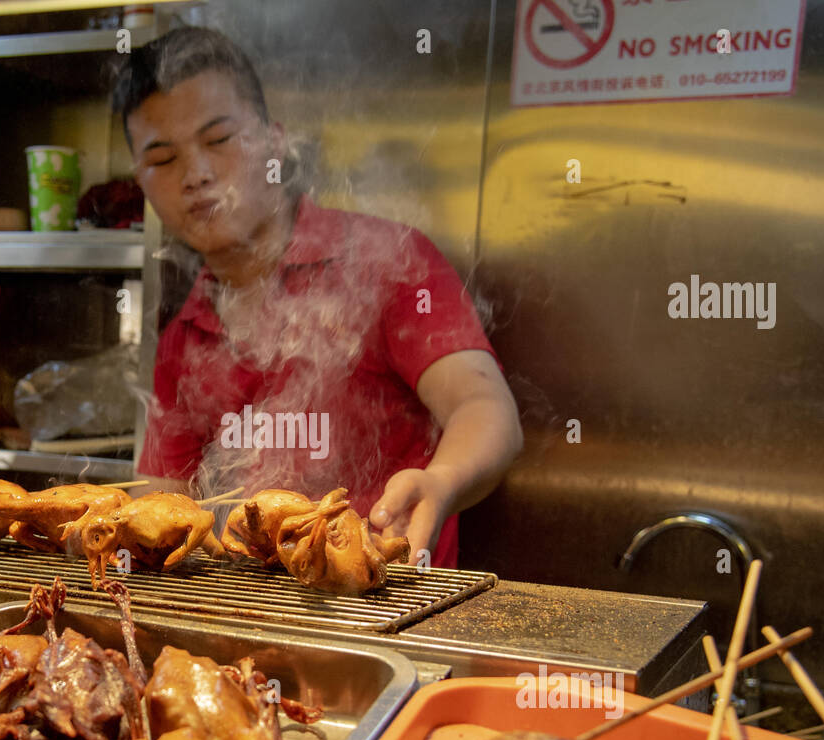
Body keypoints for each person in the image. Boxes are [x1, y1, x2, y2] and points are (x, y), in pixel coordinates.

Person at [112, 27, 522, 567]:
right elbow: (166, 495)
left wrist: (441, 482)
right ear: (141, 181)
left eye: (218, 140)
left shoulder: (386, 260)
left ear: (275, 139)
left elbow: (484, 408)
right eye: (162, 159)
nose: (197, 175)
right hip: (252, 622)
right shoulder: (184, 335)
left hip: (391, 612)